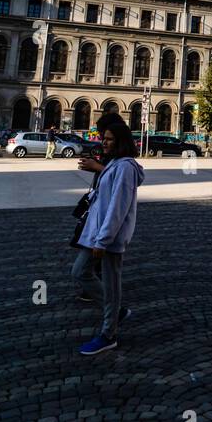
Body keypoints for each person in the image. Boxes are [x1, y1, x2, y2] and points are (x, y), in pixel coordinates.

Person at [73, 122, 145, 356]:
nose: (103, 142)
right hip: (96, 234)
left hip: (109, 238)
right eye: (103, 138)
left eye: (109, 139)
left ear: (121, 142)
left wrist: (103, 240)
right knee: (79, 272)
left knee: (111, 285)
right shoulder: (114, 164)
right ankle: (116, 311)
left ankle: (108, 335)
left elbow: (118, 207)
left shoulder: (126, 167)